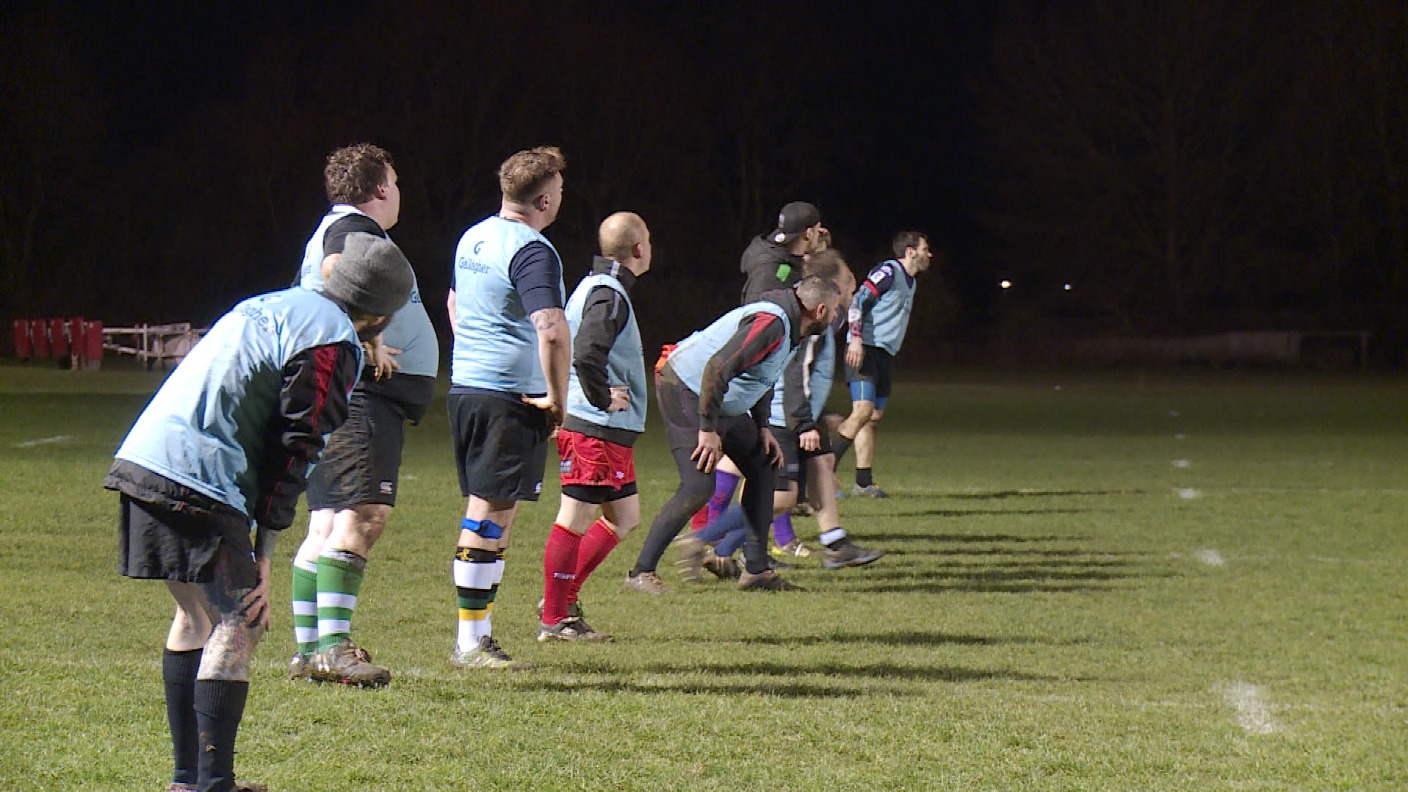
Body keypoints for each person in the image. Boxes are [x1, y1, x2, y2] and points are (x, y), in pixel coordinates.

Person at [104, 234, 412, 792]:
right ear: (381, 313)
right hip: (197, 479)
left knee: (196, 617)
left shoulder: (270, 304)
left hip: (143, 461)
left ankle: (188, 780)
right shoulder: (334, 341)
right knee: (241, 620)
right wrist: (264, 554)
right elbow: (297, 447)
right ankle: (213, 784)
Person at [286, 143, 439, 688]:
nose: (398, 191)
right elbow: (334, 273)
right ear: (379, 189)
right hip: (361, 398)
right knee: (362, 518)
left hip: (344, 393)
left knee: (326, 523)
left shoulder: (338, 226)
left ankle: (310, 651)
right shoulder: (356, 231)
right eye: (394, 182)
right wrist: (364, 335)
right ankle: (333, 649)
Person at [625, 275, 843, 594]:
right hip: (684, 387)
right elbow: (717, 368)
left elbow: (762, 377)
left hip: (715, 395)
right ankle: (640, 572)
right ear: (820, 310)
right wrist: (708, 429)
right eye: (836, 310)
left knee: (764, 463)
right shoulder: (774, 322)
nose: (837, 317)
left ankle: (756, 572)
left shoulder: (792, 323)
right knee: (698, 485)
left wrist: (763, 427)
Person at [682, 250, 884, 577]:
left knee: (821, 467)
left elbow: (810, 376)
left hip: (801, 414)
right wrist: (802, 421)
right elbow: (793, 374)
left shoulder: (829, 318)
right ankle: (706, 540)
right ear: (831, 289)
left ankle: (835, 544)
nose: (854, 286)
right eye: (848, 281)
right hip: (783, 417)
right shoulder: (815, 321)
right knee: (781, 497)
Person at [447, 145, 569, 670]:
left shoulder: (473, 236)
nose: (562, 198)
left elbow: (454, 303)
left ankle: (478, 637)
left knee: (490, 510)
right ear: (544, 198)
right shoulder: (532, 249)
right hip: (507, 399)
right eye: (560, 190)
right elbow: (552, 329)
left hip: (466, 389)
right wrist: (557, 398)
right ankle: (472, 643)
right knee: (489, 516)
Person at [537, 212, 653, 641]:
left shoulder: (598, 286)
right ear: (639, 249)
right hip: (594, 427)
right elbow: (587, 353)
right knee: (574, 517)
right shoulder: (609, 294)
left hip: (606, 429)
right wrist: (602, 396)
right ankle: (555, 616)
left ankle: (561, 597)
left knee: (624, 516)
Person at [691, 202, 829, 533]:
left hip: (758, 380)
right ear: (808, 233)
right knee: (764, 476)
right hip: (755, 380)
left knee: (754, 466)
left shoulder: (781, 262)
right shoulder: (776, 273)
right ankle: (706, 539)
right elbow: (765, 332)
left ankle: (751, 548)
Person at [833, 231, 933, 497]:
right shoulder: (889, 271)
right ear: (910, 252)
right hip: (865, 349)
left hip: (885, 354)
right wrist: (855, 340)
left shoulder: (911, 281)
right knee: (862, 412)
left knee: (872, 417)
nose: (929, 254)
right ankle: (823, 475)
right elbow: (858, 300)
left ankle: (863, 484)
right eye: (925, 249)